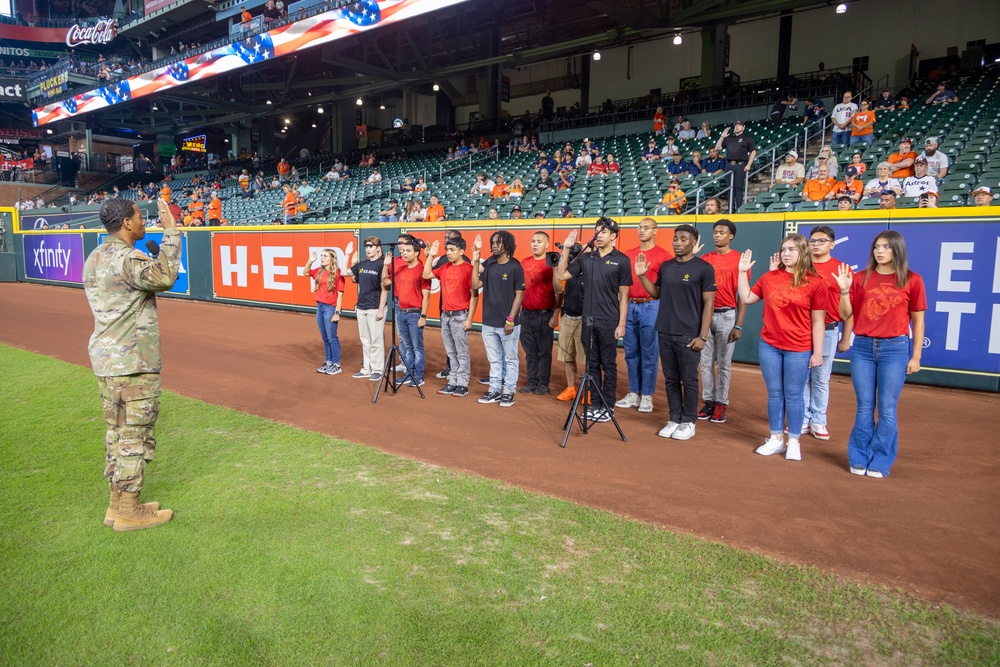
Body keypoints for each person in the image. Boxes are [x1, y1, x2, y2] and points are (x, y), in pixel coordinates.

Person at [84, 197, 179, 532]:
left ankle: (116, 506)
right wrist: (171, 233)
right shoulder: (129, 257)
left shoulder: (95, 256)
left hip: (106, 360)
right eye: (140, 217)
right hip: (132, 361)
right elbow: (165, 276)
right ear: (126, 222)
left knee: (117, 434)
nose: (144, 222)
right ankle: (130, 511)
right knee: (134, 437)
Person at [834, 231, 926, 478]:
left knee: (887, 408)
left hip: (895, 349)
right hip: (863, 347)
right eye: (876, 246)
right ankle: (858, 457)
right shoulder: (861, 278)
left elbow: (918, 321)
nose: (879, 251)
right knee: (864, 407)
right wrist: (844, 291)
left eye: (885, 246)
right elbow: (846, 315)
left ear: (897, 249)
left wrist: (915, 356)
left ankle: (881, 460)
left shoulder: (912, 280)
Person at [737, 235, 826, 462]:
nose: (787, 254)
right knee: (775, 394)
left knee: (794, 395)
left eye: (792, 250)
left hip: (799, 347)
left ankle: (794, 441)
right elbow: (746, 298)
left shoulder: (816, 282)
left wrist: (817, 352)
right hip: (770, 345)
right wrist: (741, 272)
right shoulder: (769, 277)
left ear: (803, 253)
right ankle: (776, 438)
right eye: (784, 249)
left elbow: (818, 321)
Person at [635, 224, 715, 440]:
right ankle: (674, 418)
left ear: (694, 242)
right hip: (665, 331)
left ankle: (688, 421)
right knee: (671, 379)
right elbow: (656, 293)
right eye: (675, 238)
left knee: (688, 380)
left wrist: (703, 336)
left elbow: (709, 304)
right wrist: (642, 277)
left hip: (689, 335)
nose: (678, 243)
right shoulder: (667, 266)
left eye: (683, 239)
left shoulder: (704, 268)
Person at [556, 219, 631, 422]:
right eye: (597, 231)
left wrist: (622, 323)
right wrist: (567, 249)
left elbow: (624, 296)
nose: (598, 234)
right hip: (587, 321)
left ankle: (608, 406)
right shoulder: (586, 259)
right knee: (591, 365)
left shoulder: (622, 260)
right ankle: (596, 403)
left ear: (614, 236)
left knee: (608, 364)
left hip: (609, 321)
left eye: (604, 231)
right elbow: (562, 273)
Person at [801, 226, 852, 441]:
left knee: (821, 378)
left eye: (821, 241)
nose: (816, 244)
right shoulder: (801, 266)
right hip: (801, 330)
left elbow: (850, 309)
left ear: (832, 244)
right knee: (801, 378)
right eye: (812, 240)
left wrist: (846, 337)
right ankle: (803, 418)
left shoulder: (841, 268)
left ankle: (818, 420)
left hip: (829, 329)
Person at [617, 218, 672, 414]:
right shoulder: (629, 254)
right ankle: (634, 392)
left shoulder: (664, 255)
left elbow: (666, 287)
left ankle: (647, 395)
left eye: (646, 228)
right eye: (639, 227)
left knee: (649, 353)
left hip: (651, 306)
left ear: (655, 231)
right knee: (631, 353)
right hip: (630, 305)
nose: (641, 231)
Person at [698, 219, 747, 424]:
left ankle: (721, 403)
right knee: (705, 363)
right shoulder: (705, 258)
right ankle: (708, 401)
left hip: (728, 314)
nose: (717, 235)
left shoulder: (739, 259)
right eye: (715, 232)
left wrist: (738, 324)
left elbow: (743, 295)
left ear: (731, 236)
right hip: (705, 315)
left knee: (724, 364)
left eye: (722, 232)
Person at [472, 231, 525, 407]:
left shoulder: (515, 267)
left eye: (498, 242)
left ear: (507, 244)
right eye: (493, 242)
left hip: (508, 323)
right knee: (494, 359)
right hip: (488, 322)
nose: (494, 245)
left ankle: (509, 391)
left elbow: (519, 295)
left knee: (510, 358)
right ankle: (494, 389)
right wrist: (476, 258)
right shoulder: (490, 264)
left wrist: (510, 319)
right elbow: (475, 285)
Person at [425, 237, 477, 397]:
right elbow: (426, 274)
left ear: (462, 251)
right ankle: (452, 380)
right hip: (445, 316)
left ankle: (462, 382)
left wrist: (469, 319)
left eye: (452, 250)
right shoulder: (444, 267)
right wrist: (431, 255)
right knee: (450, 352)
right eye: (447, 250)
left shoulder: (469, 268)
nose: (448, 253)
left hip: (460, 315)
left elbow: (474, 296)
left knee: (461, 352)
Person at [382, 237, 430, 387]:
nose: (404, 253)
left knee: (417, 347)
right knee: (407, 346)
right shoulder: (399, 269)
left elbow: (426, 296)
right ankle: (409, 373)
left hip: (415, 313)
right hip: (400, 312)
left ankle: (418, 375)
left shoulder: (422, 270)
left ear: (416, 253)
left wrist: (423, 316)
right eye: (403, 251)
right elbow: (385, 282)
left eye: (408, 251)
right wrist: (385, 265)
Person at [341, 237, 387, 381]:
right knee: (365, 340)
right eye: (366, 247)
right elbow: (344, 272)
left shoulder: (382, 264)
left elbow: (385, 289)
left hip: (375, 307)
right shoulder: (362, 264)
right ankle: (367, 368)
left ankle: (378, 369)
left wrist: (381, 309)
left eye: (370, 246)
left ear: (378, 248)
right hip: (362, 307)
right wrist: (347, 254)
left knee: (376, 340)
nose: (367, 249)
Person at [303, 248, 346, 375]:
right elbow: (305, 272)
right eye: (321, 256)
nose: (322, 258)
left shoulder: (338, 273)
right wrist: (310, 261)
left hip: (330, 308)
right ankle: (328, 362)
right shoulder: (319, 271)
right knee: (325, 337)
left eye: (325, 256)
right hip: (320, 307)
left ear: (332, 259)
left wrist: (337, 313)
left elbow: (340, 295)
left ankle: (336, 364)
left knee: (332, 337)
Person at [715, 121, 756, 207]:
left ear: (743, 128)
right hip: (729, 164)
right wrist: (722, 137)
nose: (737, 127)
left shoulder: (747, 139)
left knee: (738, 187)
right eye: (735, 126)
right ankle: (731, 208)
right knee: (730, 188)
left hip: (740, 164)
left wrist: (749, 164)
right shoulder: (729, 139)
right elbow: (717, 148)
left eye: (739, 125)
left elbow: (753, 151)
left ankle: (739, 208)